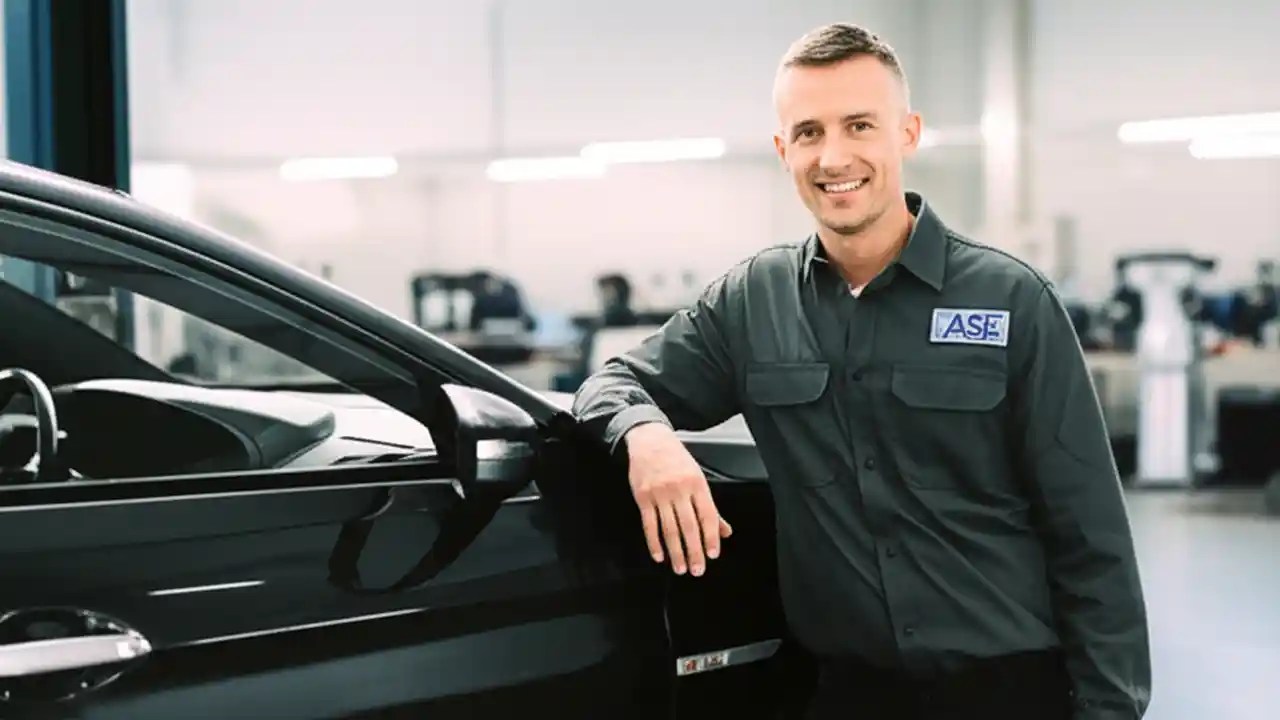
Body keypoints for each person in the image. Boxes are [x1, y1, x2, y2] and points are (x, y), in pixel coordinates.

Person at [571, 21, 1151, 720]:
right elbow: (612, 383)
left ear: (906, 134)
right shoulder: (752, 302)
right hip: (847, 694)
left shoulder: (1011, 301)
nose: (833, 155)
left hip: (1006, 690)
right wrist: (646, 436)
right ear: (784, 149)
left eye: (859, 125)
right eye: (809, 132)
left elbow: (1090, 535)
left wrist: (1108, 710)